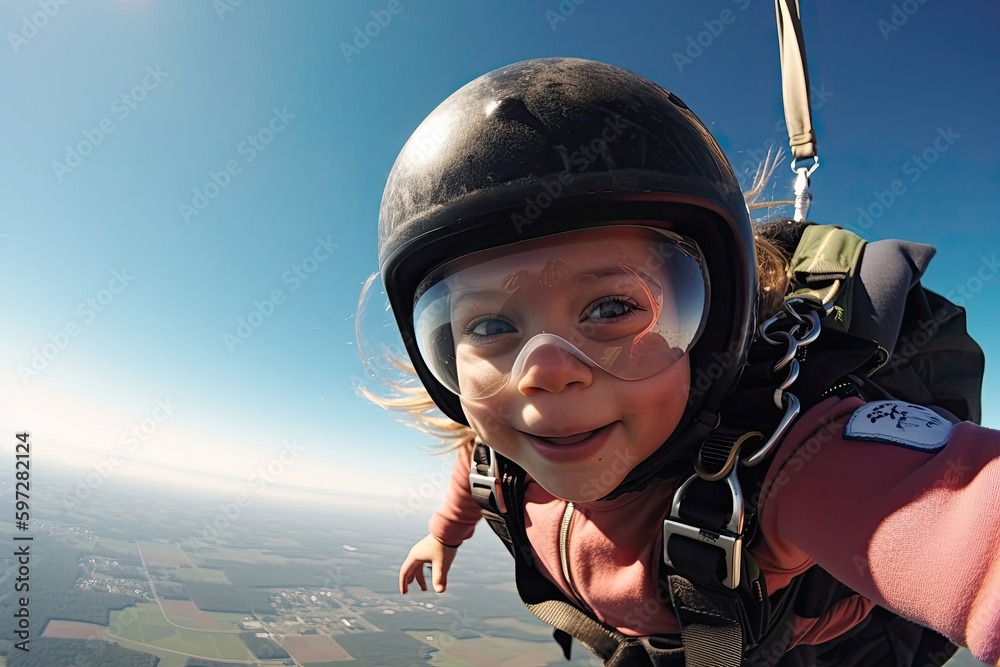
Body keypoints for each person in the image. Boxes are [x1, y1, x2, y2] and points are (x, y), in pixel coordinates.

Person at [364, 57, 999, 666]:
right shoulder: (500, 445)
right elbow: (473, 473)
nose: (544, 373)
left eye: (611, 307)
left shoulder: (789, 466)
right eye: (490, 326)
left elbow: (968, 521)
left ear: (711, 328)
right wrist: (442, 536)